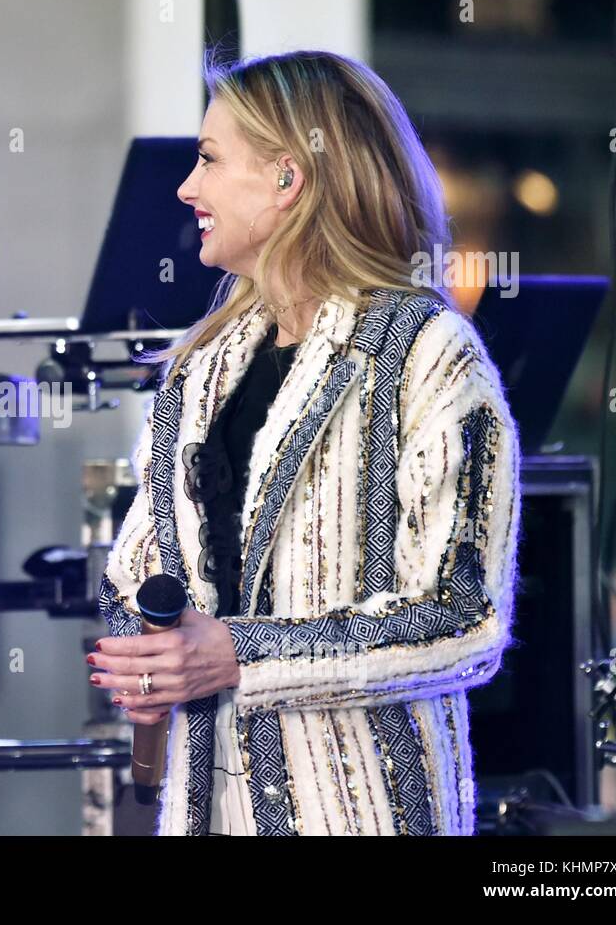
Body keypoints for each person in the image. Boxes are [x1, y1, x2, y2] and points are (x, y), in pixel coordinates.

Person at [89, 50, 523, 836]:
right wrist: (141, 647)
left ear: (289, 179)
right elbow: (137, 570)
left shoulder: (424, 353)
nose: (188, 188)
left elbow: (466, 620)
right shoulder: (199, 366)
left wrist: (237, 656)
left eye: (210, 160)